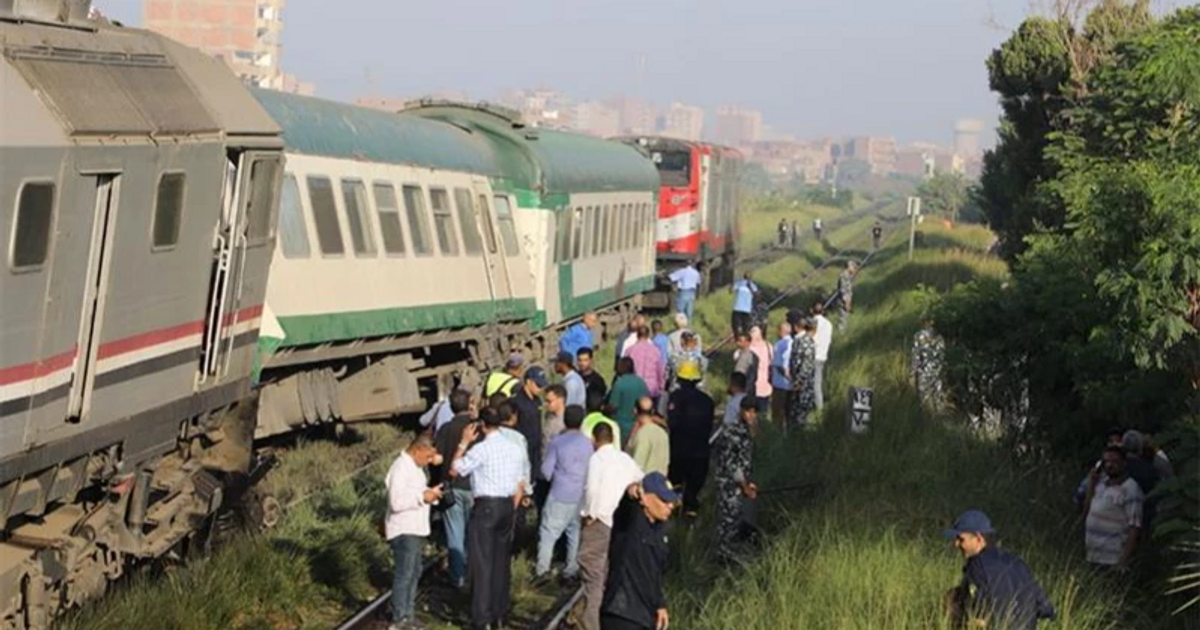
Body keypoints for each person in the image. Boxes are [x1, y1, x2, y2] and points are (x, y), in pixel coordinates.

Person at [451, 408, 527, 630]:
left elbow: (456, 470)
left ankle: (482, 618)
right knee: (501, 561)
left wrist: (464, 443)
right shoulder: (514, 448)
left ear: (482, 425)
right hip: (506, 504)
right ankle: (499, 614)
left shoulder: (481, 450)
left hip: (486, 507)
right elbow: (520, 482)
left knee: (482, 563)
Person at [579, 423, 645, 630]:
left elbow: (591, 489)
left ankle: (592, 621)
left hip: (600, 520)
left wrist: (589, 514)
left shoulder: (596, 459)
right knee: (611, 569)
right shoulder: (625, 458)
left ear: (594, 440)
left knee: (592, 570)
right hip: (622, 523)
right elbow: (641, 479)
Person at [943, 510, 1055, 630]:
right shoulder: (1018, 562)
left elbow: (979, 609)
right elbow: (1046, 609)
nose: (956, 544)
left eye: (961, 539)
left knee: (953, 598)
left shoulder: (976, 565)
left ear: (978, 538)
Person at [600, 472, 678, 630]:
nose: (670, 505)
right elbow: (624, 509)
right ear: (645, 498)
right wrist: (631, 492)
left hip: (645, 615)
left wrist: (659, 604)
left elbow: (653, 574)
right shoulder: (630, 522)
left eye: (670, 500)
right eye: (663, 500)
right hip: (621, 611)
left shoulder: (659, 530)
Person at [384, 435, 444, 630]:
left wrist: (431, 494)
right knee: (405, 573)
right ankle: (399, 617)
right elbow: (396, 501)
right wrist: (421, 497)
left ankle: (408, 613)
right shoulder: (400, 467)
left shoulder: (415, 468)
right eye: (427, 457)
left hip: (416, 528)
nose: (429, 461)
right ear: (417, 450)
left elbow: (417, 492)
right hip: (404, 529)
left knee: (414, 572)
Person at [536, 405, 594, 583]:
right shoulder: (588, 444)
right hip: (580, 494)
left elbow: (546, 472)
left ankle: (542, 570)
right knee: (574, 532)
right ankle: (571, 569)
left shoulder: (558, 442)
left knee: (548, 532)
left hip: (560, 492)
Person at [431, 389, 478, 590]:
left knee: (455, 533)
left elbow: (438, 458)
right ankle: (471, 573)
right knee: (472, 533)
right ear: (469, 404)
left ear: (451, 407)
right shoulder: (478, 429)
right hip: (475, 487)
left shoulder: (446, 429)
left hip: (452, 488)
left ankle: (457, 576)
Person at [667, 361, 715, 517]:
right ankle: (690, 518)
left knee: (676, 486)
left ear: (680, 380)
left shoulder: (675, 398)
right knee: (693, 491)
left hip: (679, 451)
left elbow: (672, 423)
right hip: (700, 452)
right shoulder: (707, 401)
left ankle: (674, 516)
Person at [1083, 446, 1143, 571]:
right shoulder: (1100, 484)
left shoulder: (1131, 489)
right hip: (1093, 556)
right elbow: (1086, 513)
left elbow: (1134, 527)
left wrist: (1123, 561)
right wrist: (1090, 486)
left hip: (1112, 560)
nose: (1109, 465)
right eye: (1106, 462)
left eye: (1114, 462)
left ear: (1124, 464)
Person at [714, 396, 758, 562]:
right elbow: (732, 465)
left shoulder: (747, 433)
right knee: (728, 518)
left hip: (739, 483)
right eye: (748, 411)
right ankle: (723, 554)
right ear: (741, 411)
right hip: (729, 483)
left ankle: (729, 553)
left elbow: (746, 460)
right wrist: (744, 485)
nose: (751, 415)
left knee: (736, 516)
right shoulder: (733, 432)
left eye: (754, 412)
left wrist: (749, 483)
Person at [512, 367, 549, 489]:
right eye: (538, 385)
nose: (540, 389)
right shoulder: (517, 402)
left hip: (536, 448)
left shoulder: (537, 400)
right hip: (523, 448)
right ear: (528, 382)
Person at [609, 357, 650, 442]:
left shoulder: (620, 383)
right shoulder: (641, 382)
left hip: (621, 426)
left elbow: (613, 406)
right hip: (638, 424)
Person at [787, 317, 817, 429]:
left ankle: (801, 435)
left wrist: (799, 381)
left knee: (802, 412)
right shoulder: (798, 340)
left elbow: (807, 364)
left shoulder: (807, 341)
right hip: (796, 382)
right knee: (795, 411)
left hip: (803, 384)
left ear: (796, 327)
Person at [912, 318, 946, 411]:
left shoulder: (918, 336)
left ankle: (926, 421)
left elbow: (916, 356)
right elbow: (942, 356)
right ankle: (938, 420)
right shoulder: (939, 337)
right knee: (938, 397)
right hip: (937, 371)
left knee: (923, 399)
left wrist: (914, 372)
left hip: (924, 371)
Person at [627, 408, 670, 476]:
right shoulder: (663, 434)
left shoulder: (641, 433)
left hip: (642, 481)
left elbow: (636, 463)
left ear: (635, 411)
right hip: (659, 482)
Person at [626, 326, 665, 400]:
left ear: (637, 335)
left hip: (634, 387)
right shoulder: (655, 351)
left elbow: (626, 369)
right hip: (651, 388)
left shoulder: (630, 350)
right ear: (648, 335)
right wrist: (661, 385)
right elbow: (660, 370)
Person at [769, 321, 793, 424]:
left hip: (780, 384)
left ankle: (777, 436)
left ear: (780, 331)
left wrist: (786, 376)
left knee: (778, 413)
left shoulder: (779, 345)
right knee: (789, 413)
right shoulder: (794, 342)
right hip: (791, 385)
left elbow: (779, 365)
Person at [811, 303, 833, 410]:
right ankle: (818, 405)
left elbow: (810, 338)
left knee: (814, 384)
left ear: (811, 310)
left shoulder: (812, 322)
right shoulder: (829, 324)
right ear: (823, 311)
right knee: (818, 382)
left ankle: (819, 407)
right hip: (823, 355)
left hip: (813, 355)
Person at [748, 326, 773, 412]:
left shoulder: (750, 348)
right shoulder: (768, 346)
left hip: (752, 385)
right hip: (766, 385)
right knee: (763, 410)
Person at [732, 332, 760, 401]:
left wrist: (745, 389)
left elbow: (752, 375)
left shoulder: (752, 356)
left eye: (741, 341)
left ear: (747, 342)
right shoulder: (739, 354)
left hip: (745, 390)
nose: (738, 343)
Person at [836, 261, 858, 332]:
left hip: (847, 300)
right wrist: (847, 302)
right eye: (853, 267)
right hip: (843, 301)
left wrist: (854, 274)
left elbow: (850, 285)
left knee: (845, 318)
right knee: (843, 318)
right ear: (849, 267)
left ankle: (843, 331)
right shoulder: (844, 275)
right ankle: (841, 332)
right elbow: (843, 290)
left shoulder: (848, 275)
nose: (854, 269)